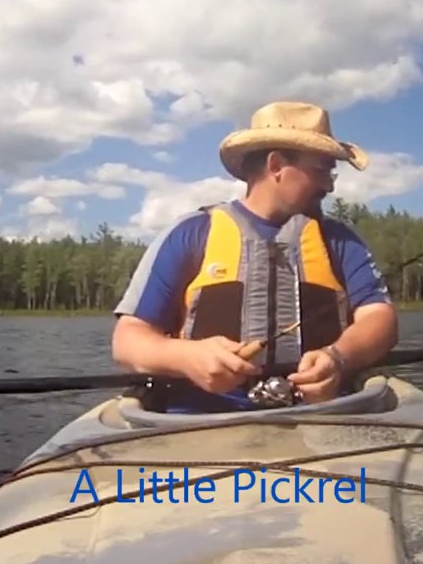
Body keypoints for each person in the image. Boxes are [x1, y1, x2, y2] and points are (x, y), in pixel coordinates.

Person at [111, 101, 400, 412]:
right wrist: (185, 356)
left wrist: (338, 358)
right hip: (196, 427)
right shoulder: (189, 234)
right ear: (276, 165)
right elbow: (128, 340)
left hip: (322, 417)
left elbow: (380, 319)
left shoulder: (340, 241)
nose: (329, 186)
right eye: (321, 170)